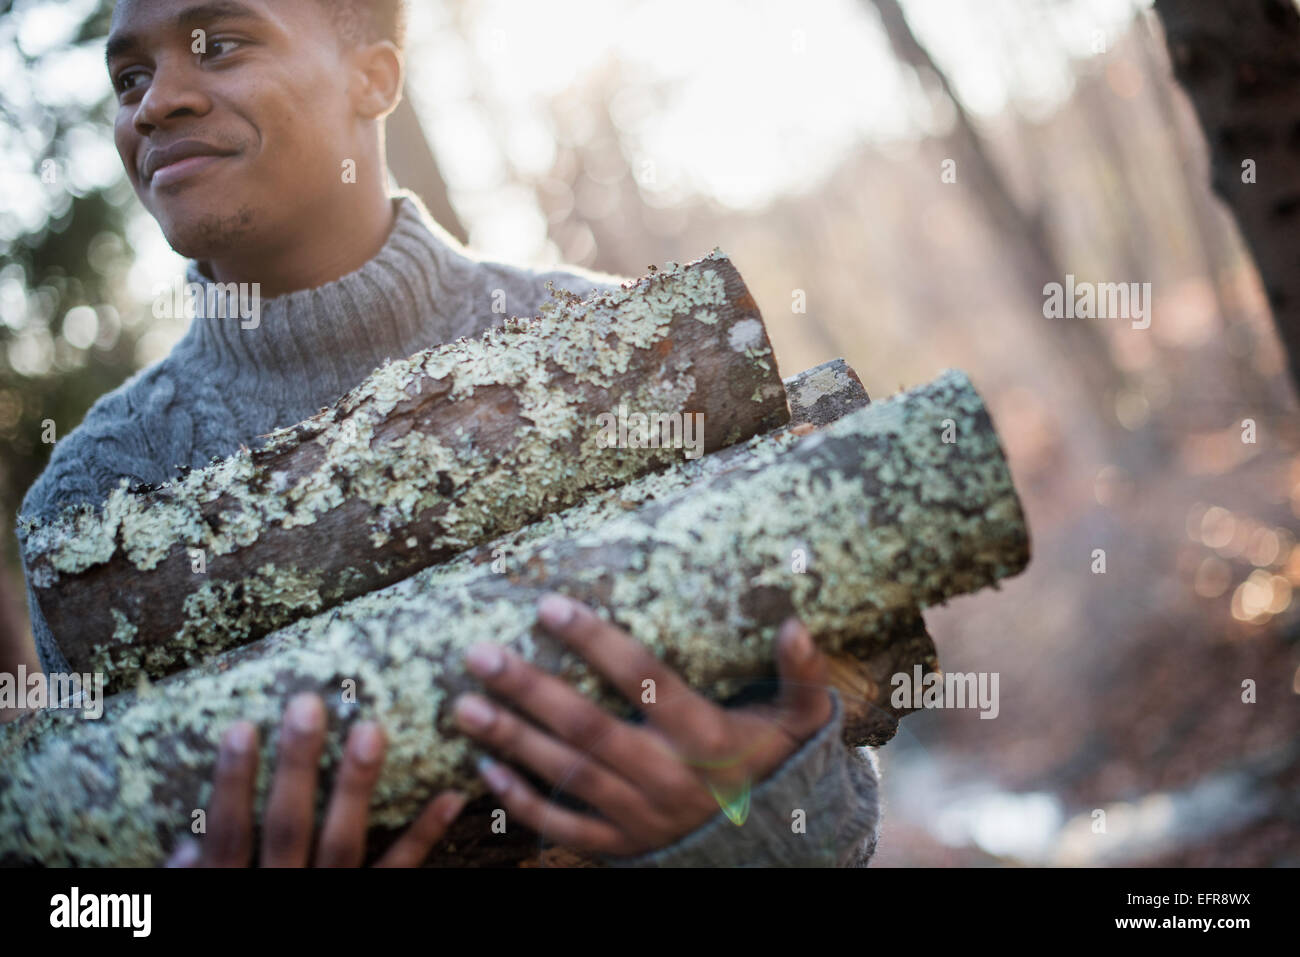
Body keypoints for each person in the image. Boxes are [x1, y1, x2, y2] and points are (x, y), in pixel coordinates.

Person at [14, 0, 882, 867]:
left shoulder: (636, 350)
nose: (154, 102)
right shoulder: (95, 504)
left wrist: (742, 819)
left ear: (375, 77)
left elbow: (831, 808)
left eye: (221, 45)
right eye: (129, 77)